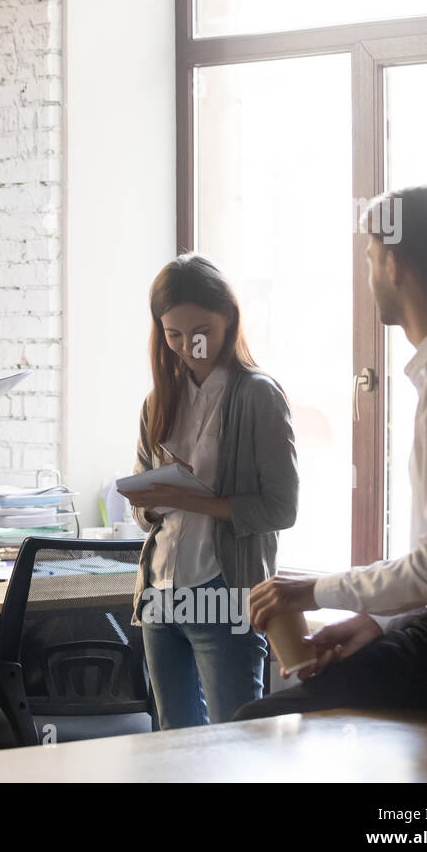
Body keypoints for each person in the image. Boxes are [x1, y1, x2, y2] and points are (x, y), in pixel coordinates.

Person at [239, 185, 427, 719]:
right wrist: (377, 622)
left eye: (369, 258)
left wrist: (312, 591)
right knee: (324, 680)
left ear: (393, 263)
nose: (367, 274)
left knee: (258, 724)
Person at [119, 254, 299, 729]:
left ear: (229, 320)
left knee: (237, 746)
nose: (187, 346)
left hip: (224, 589)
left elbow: (282, 508)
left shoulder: (257, 394)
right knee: (176, 752)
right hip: (159, 593)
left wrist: (188, 498)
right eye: (173, 335)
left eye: (200, 330)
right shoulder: (159, 399)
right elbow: (143, 514)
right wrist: (152, 500)